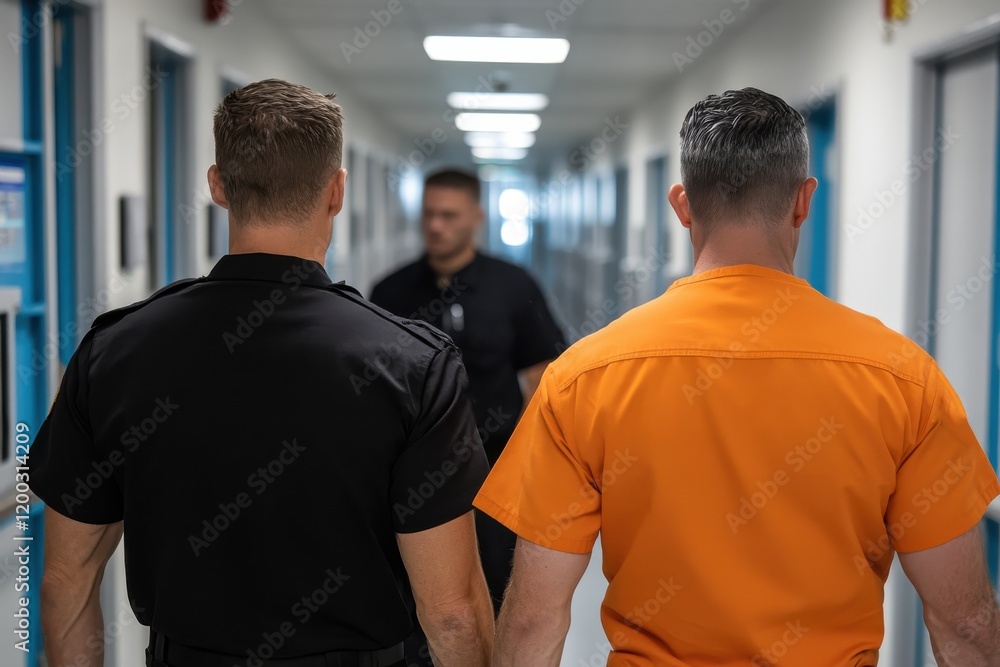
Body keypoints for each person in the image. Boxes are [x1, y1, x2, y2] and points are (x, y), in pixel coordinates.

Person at [474, 87, 1000, 666]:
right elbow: (965, 624)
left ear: (682, 205)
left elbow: (532, 619)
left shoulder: (585, 376)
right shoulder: (903, 379)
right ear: (804, 201)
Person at [29, 79, 493, 667]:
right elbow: (451, 612)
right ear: (336, 191)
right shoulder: (414, 364)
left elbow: (65, 581)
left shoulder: (114, 351)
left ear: (217, 186)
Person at [370, 168, 564, 661]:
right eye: (429, 214)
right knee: (420, 599)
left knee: (493, 590)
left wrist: (524, 460)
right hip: (411, 480)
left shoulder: (512, 286)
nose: (436, 225)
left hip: (493, 474)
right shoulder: (391, 292)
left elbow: (543, 373)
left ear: (476, 217)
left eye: (449, 215)